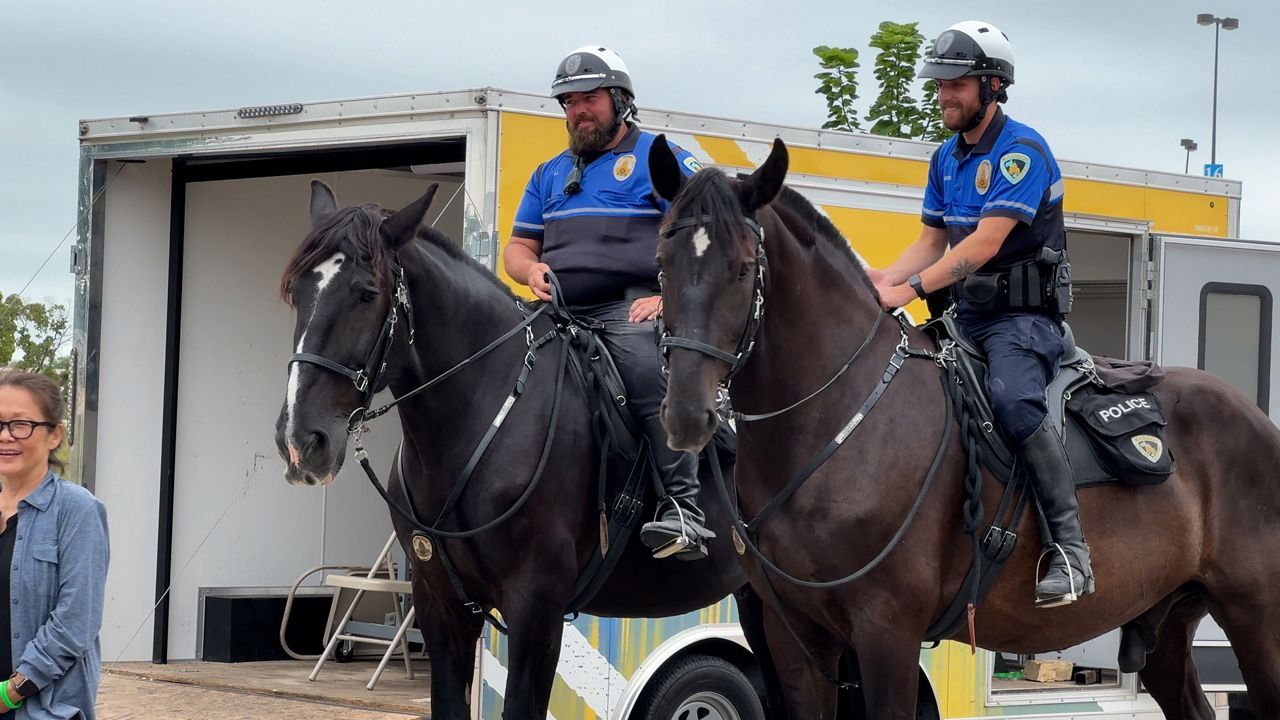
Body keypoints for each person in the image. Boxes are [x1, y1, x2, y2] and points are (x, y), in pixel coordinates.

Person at [870, 21, 1091, 607]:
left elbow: (982, 246)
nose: (943, 93)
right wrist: (881, 278)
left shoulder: (1022, 151)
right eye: (939, 82)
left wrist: (910, 288)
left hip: (1024, 324)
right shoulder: (945, 158)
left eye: (957, 83)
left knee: (1015, 403)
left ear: (993, 85)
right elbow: (931, 241)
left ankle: (1071, 551)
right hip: (964, 320)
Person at [503, 45, 712, 559]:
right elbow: (516, 248)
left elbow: (712, 238)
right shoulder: (548, 173)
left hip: (629, 309)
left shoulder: (659, 159)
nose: (578, 110)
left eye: (589, 98)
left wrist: (668, 299)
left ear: (620, 99)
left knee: (646, 370)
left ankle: (684, 508)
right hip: (557, 311)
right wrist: (530, 269)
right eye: (569, 101)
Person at [0, 370, 109, 718]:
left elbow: (76, 621)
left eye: (21, 424)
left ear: (54, 435)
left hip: (44, 710)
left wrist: (13, 691)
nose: (6, 436)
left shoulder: (77, 510)